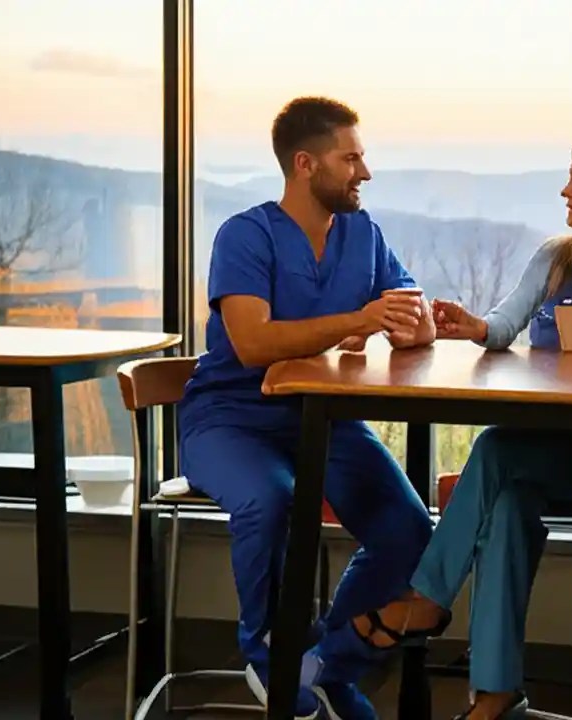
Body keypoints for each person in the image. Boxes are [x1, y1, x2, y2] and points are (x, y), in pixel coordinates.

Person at [336, 132, 572, 720]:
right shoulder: (555, 258)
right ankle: (496, 696)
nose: (565, 190)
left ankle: (427, 599)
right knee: (505, 506)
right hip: (545, 451)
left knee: (496, 449)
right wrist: (475, 327)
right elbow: (505, 324)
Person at [177, 96, 435, 720]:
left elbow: (411, 308)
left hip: (324, 419)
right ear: (304, 164)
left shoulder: (363, 234)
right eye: (351, 159)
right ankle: (272, 658)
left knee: (408, 529)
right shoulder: (246, 235)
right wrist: (357, 320)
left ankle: (327, 664)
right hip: (230, 419)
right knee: (273, 499)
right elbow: (252, 343)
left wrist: (416, 323)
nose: (364, 172)